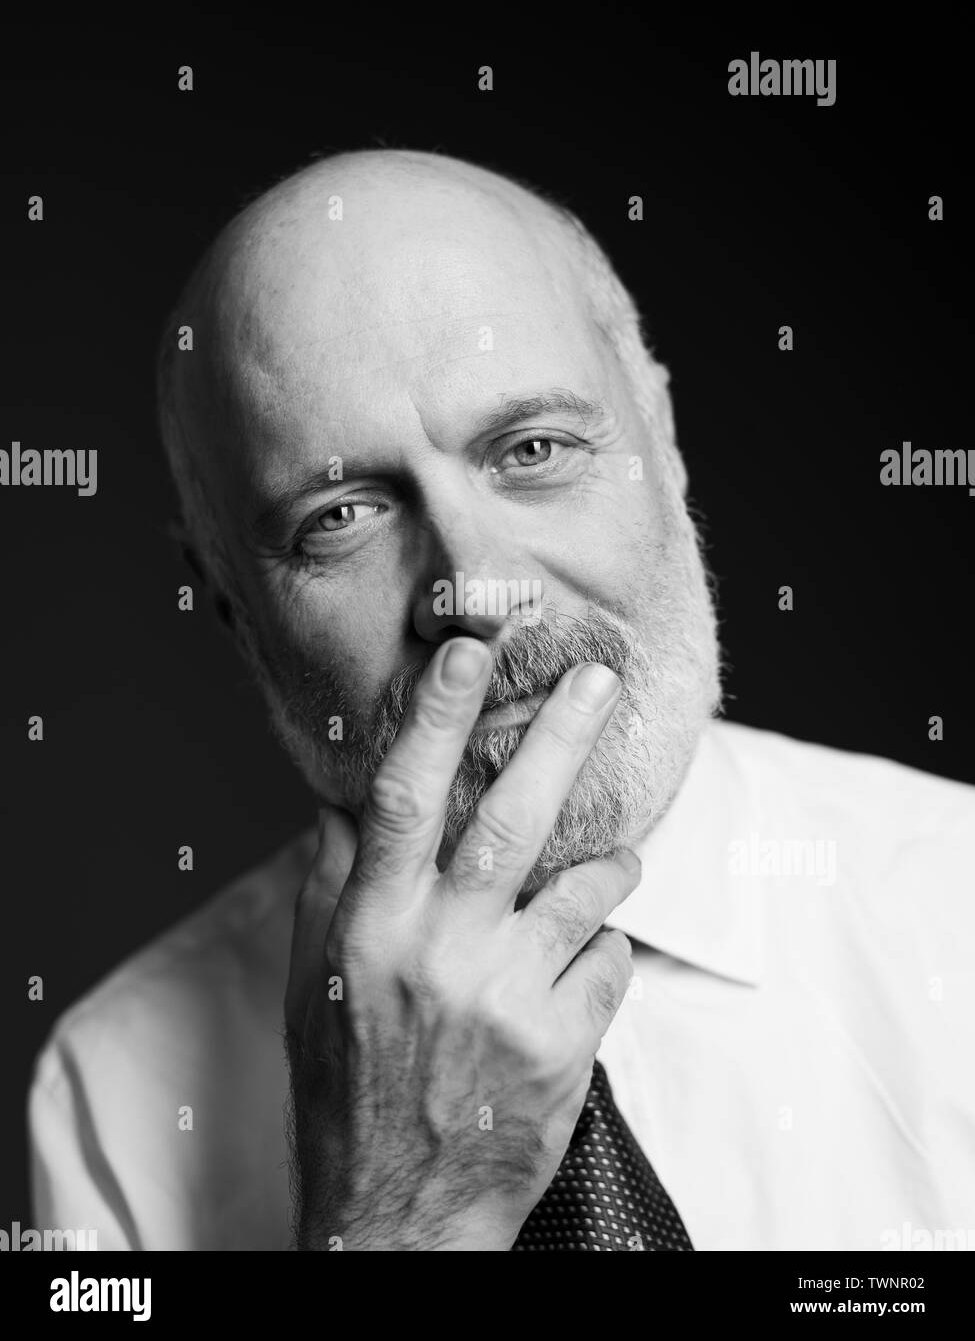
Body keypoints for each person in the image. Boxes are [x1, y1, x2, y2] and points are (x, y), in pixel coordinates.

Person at [28, 149, 975, 1251]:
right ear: (237, 611)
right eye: (341, 515)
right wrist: (397, 1214)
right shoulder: (115, 1092)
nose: (474, 590)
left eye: (533, 449)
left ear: (661, 446)